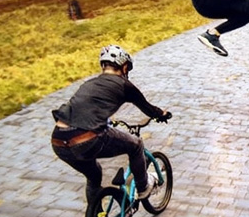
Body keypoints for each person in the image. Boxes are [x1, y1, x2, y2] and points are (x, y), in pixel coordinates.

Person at [50, 45, 171, 203]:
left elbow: (83, 109)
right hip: (87, 139)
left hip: (58, 140)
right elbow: (148, 108)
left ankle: (95, 216)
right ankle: (143, 188)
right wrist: (162, 114)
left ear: (103, 65)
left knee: (94, 175)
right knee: (136, 145)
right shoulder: (124, 84)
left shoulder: (89, 84)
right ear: (124, 66)